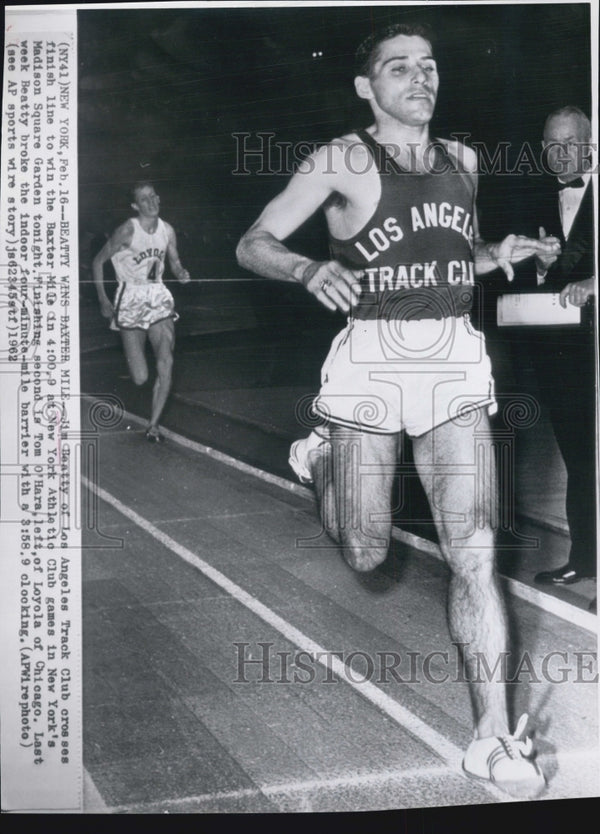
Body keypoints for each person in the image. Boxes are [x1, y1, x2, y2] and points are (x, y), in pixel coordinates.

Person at [237, 23, 562, 797]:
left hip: (452, 354)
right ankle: (320, 455)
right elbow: (254, 241)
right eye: (398, 68)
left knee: (474, 548)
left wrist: (499, 253)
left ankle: (490, 740)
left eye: (430, 66)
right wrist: (307, 265)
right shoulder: (342, 159)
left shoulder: (466, 162)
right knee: (364, 549)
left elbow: (458, 251)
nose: (420, 78)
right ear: (366, 87)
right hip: (373, 356)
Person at [519, 107, 596, 590]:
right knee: (579, 458)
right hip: (567, 356)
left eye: (569, 142)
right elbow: (541, 277)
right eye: (550, 145)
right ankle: (586, 558)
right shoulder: (538, 198)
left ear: (590, 143)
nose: (559, 153)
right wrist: (545, 268)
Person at [93, 181, 191, 442]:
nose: (152, 201)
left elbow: (174, 261)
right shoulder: (127, 230)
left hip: (158, 294)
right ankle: (138, 368)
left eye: (154, 196)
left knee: (166, 359)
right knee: (140, 377)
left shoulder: (167, 230)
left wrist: (180, 273)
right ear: (136, 205)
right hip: (130, 297)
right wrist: (103, 299)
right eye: (145, 199)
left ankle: (153, 426)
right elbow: (98, 262)